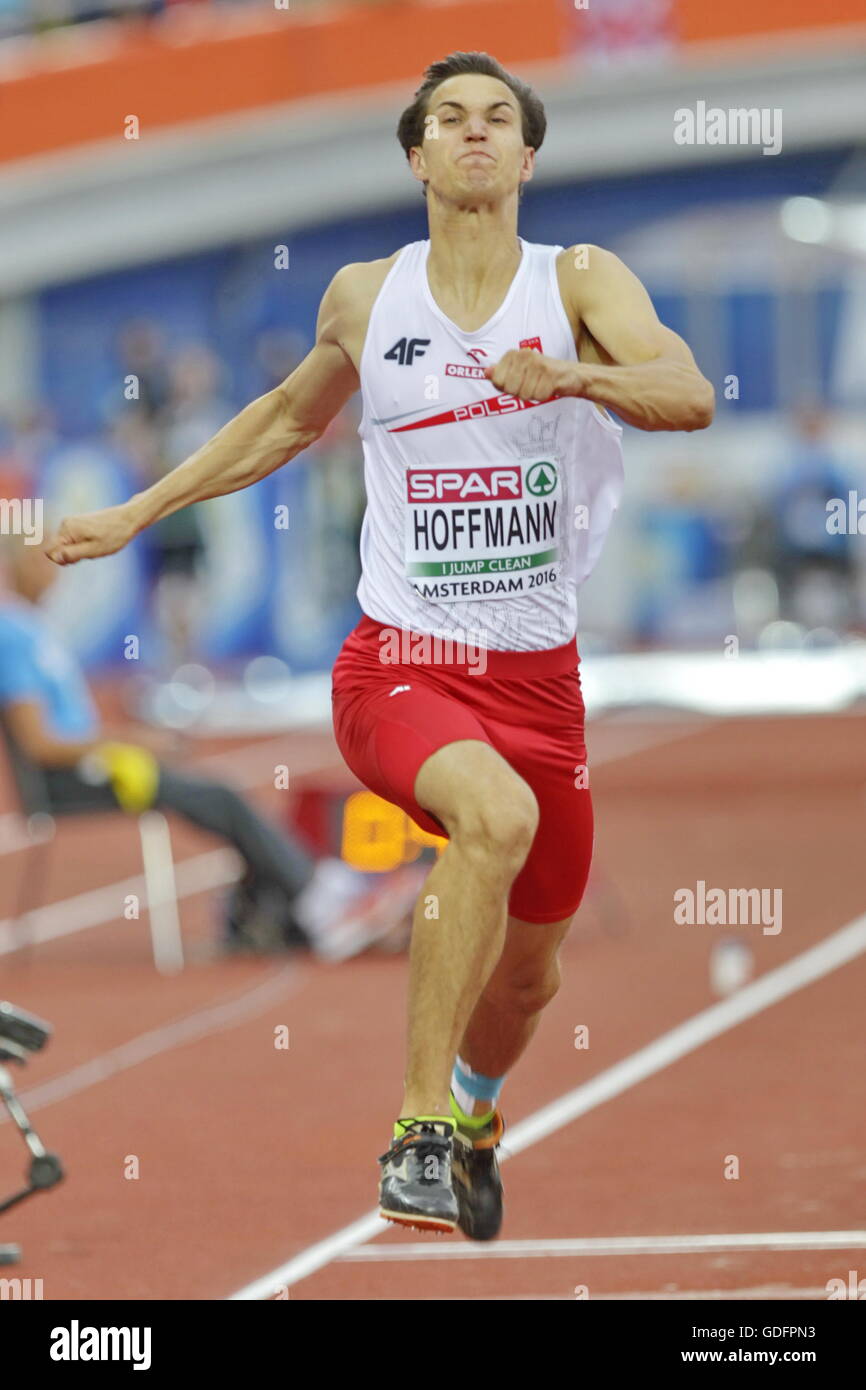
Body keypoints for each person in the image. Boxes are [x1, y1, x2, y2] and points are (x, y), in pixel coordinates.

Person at [44, 51, 714, 1239]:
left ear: (525, 156)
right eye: (449, 119)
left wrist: (570, 374)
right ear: (415, 155)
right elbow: (280, 423)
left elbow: (685, 390)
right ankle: (414, 1132)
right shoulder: (366, 297)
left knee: (527, 977)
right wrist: (137, 514)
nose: (473, 134)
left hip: (537, 680)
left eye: (496, 119)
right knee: (491, 821)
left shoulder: (577, 281)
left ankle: (473, 1107)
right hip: (401, 661)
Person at [0, 533, 404, 962]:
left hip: (98, 767)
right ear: (15, 564)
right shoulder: (14, 634)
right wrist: (131, 740)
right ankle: (316, 900)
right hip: (69, 780)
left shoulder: (33, 629)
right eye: (41, 560)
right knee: (221, 797)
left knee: (219, 796)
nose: (54, 571)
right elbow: (40, 744)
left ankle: (287, 901)